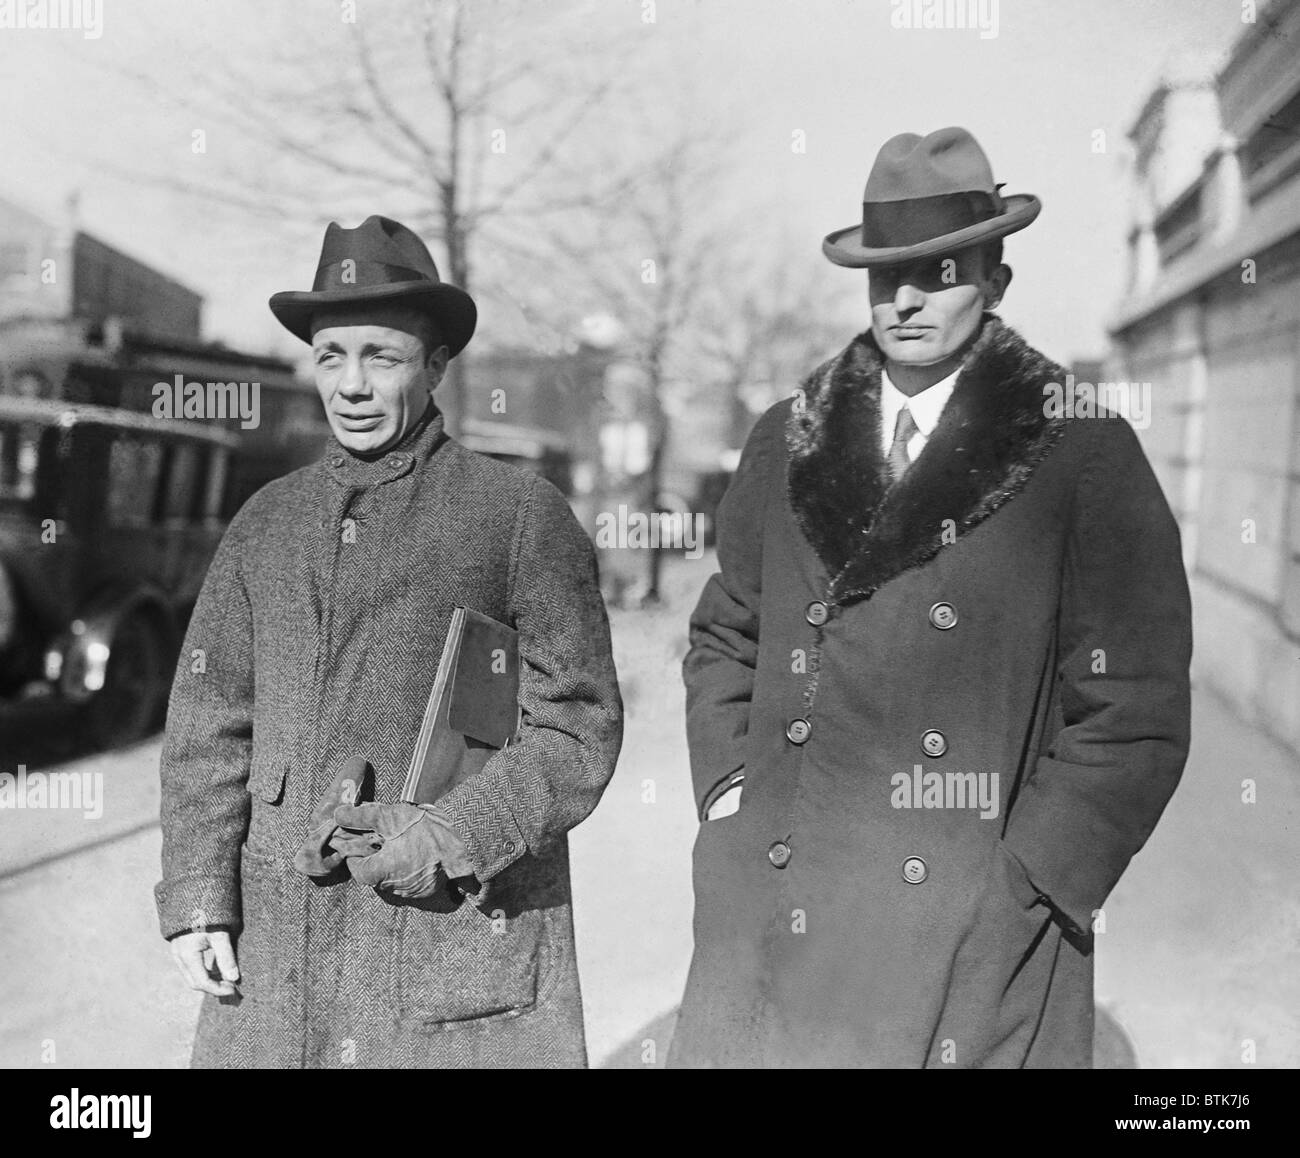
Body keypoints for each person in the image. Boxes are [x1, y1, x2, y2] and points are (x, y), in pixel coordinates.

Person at [669, 127, 1192, 1068]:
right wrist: (731, 795)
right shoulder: (786, 436)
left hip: (970, 923)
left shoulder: (1081, 449)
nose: (905, 301)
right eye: (885, 276)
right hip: (776, 897)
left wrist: (1031, 878)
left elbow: (1134, 710)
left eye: (939, 274)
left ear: (997, 282)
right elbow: (726, 636)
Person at [155, 214, 622, 1068]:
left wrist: (455, 835)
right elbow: (208, 725)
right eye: (331, 357)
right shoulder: (265, 522)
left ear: (436, 365)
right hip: (280, 953)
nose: (352, 386)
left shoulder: (518, 516)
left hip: (451, 942)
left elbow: (577, 726)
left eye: (382, 357)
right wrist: (198, 896)